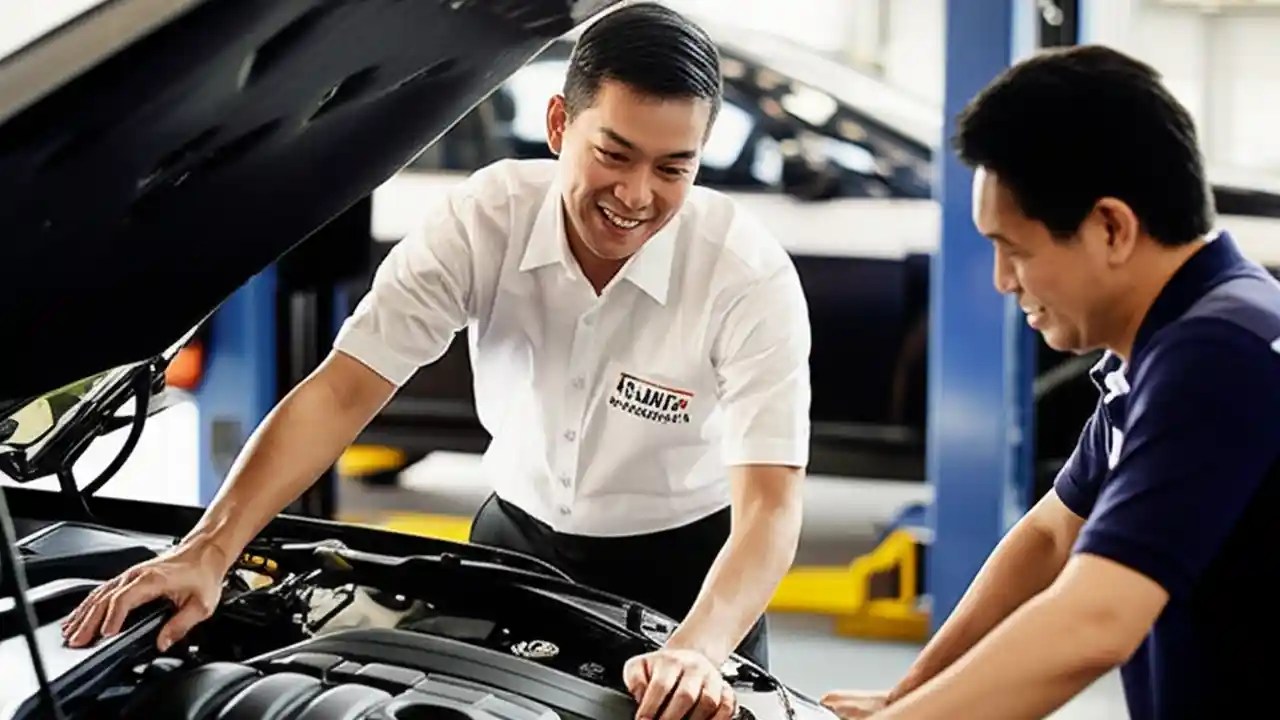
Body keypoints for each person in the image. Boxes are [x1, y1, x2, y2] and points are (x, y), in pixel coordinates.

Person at [61, 4, 811, 720]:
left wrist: (698, 650)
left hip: (693, 573)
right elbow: (344, 389)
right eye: (613, 154)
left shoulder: (744, 273)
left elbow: (770, 507)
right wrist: (210, 550)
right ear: (559, 125)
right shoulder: (484, 218)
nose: (637, 194)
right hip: (515, 547)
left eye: (672, 169)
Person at [821, 44, 1280, 720]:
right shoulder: (1175, 336)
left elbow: (1095, 621)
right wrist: (909, 697)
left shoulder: (1218, 353)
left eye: (1016, 250)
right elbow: (1049, 537)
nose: (1004, 280)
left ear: (1111, 227)